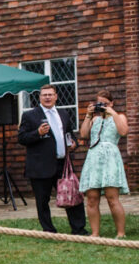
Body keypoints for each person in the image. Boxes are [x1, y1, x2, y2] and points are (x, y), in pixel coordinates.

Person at [17, 83, 88, 235]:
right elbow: (22, 138)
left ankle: (79, 228)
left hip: (62, 164)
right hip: (40, 166)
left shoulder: (63, 114)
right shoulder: (30, 115)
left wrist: (73, 143)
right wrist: (38, 133)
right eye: (44, 95)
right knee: (42, 201)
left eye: (50, 94)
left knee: (73, 195)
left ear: (56, 97)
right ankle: (48, 229)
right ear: (40, 97)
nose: (47, 97)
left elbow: (69, 134)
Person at [78, 91, 130, 238]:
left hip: (110, 158)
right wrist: (88, 115)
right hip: (94, 158)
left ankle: (121, 233)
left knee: (112, 198)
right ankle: (95, 233)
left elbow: (124, 131)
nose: (102, 106)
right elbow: (83, 134)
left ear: (111, 103)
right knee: (92, 198)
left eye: (105, 103)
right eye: (99, 103)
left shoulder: (119, 116)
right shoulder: (94, 119)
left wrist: (111, 112)